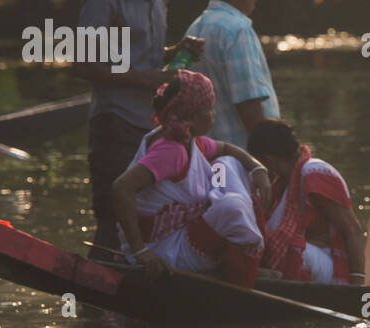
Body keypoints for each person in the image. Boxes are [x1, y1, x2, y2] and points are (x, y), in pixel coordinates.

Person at [75, 0, 206, 259]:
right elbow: (85, 64)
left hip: (150, 126)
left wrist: (175, 52)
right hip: (115, 123)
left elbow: (140, 54)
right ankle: (97, 302)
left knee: (148, 213)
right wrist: (147, 79)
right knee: (112, 215)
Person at [111, 70, 270, 287]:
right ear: (193, 118)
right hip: (165, 248)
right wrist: (141, 251)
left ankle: (245, 262)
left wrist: (257, 169)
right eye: (210, 109)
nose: (214, 115)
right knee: (232, 208)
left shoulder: (190, 140)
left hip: (180, 234)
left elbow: (226, 149)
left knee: (227, 165)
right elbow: (121, 188)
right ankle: (243, 278)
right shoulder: (171, 151)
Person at [248, 118, 365, 285]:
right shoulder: (281, 186)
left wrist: (357, 285)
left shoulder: (313, 173)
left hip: (333, 270)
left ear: (267, 160)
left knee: (293, 249)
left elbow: (352, 229)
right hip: (310, 263)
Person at [184, 0, 280, 149]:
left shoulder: (195, 27)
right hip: (238, 158)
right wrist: (273, 157)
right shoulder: (238, 30)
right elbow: (249, 104)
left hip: (204, 154)